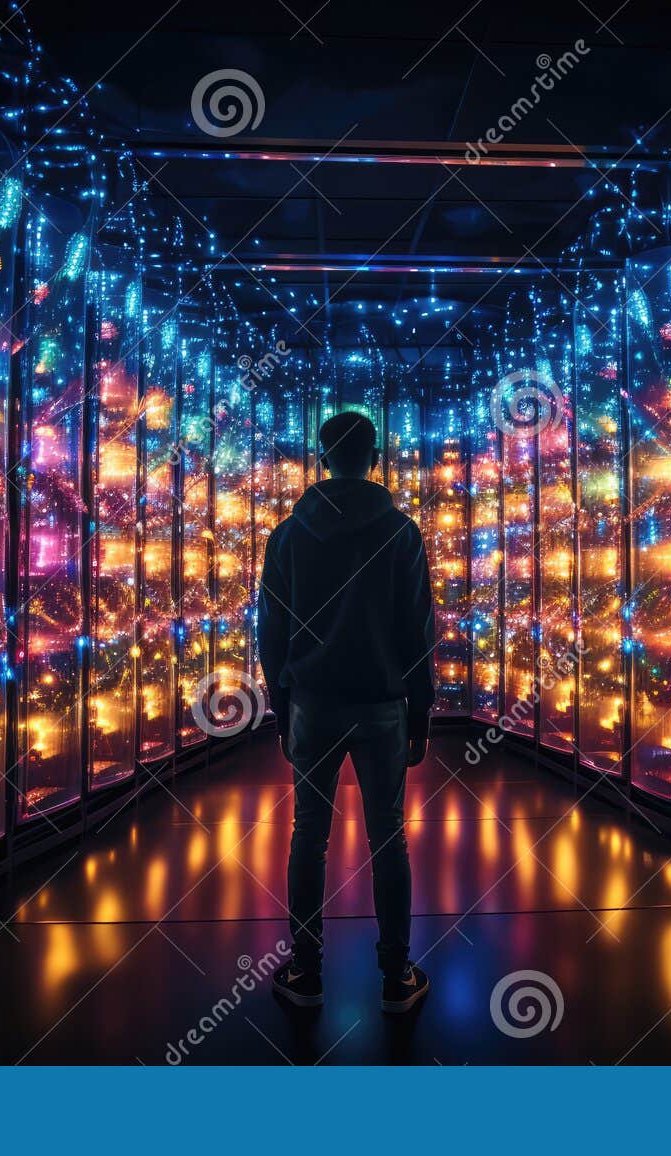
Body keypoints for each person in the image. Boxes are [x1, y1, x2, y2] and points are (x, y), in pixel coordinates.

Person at [256, 410, 435, 1014]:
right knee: (389, 838)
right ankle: (396, 975)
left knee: (309, 834)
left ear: (323, 458)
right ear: (375, 458)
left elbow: (272, 633)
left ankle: (307, 973)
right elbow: (418, 632)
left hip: (313, 702)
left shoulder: (288, 535)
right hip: (383, 705)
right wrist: (422, 715)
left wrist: (282, 709)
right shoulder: (401, 533)